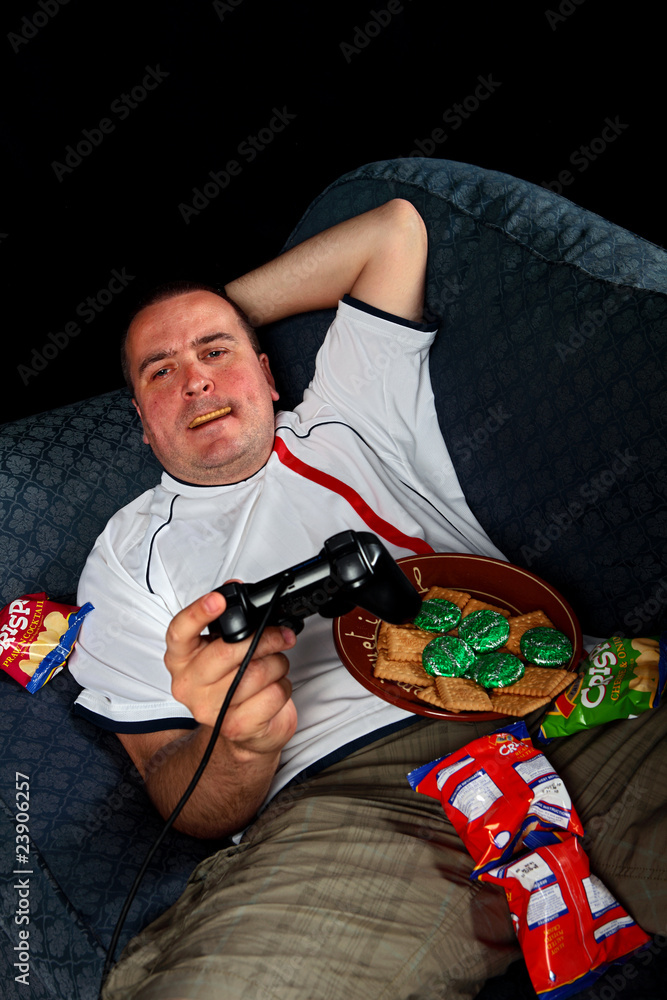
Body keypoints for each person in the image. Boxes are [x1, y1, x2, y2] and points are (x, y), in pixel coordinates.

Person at [70, 199, 667, 1000]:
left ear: (268, 373)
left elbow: (393, 230)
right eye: (160, 372)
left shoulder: (351, 412)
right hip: (353, 798)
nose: (195, 379)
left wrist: (211, 311)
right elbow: (182, 800)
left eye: (217, 354)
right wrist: (238, 744)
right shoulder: (123, 560)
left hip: (561, 698)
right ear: (142, 425)